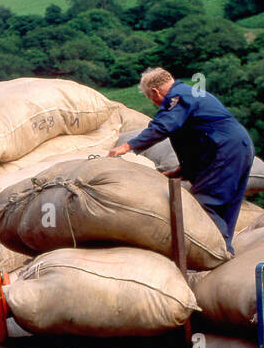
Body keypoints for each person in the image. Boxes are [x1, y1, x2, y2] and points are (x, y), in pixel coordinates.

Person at [109, 67, 255, 251]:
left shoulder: (177, 97)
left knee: (203, 205)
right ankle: (223, 250)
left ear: (155, 91)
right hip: (240, 148)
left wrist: (127, 146)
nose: (155, 105)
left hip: (224, 150)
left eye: (151, 99)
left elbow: (162, 126)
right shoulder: (190, 94)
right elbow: (194, 141)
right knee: (226, 207)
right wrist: (183, 171)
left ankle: (217, 253)